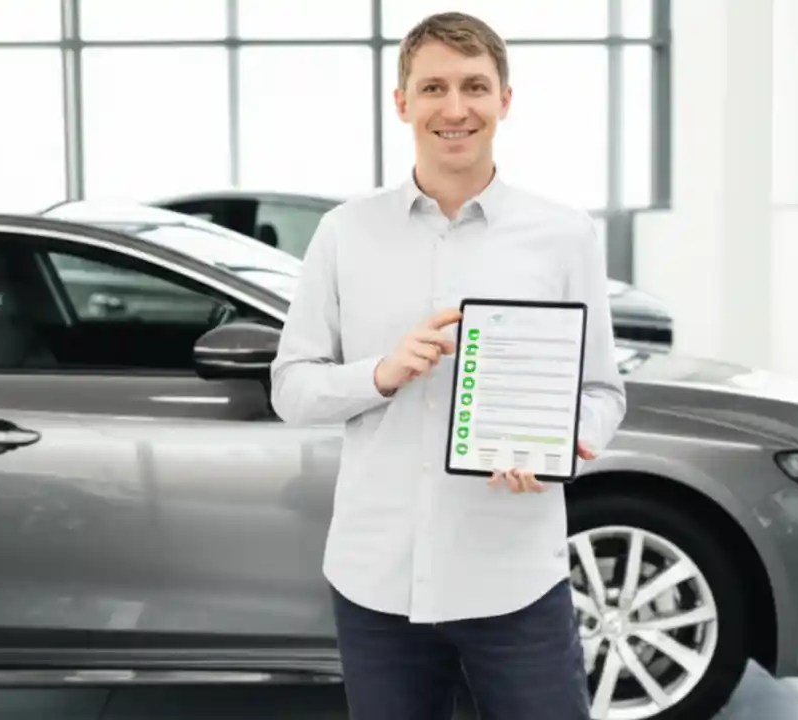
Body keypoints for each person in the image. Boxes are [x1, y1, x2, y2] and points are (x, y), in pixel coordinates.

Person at [269, 11, 627, 720]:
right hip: (378, 583)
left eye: (475, 87)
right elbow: (291, 386)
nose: (455, 108)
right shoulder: (345, 233)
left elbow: (601, 390)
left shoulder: (563, 234)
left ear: (505, 101)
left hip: (515, 579)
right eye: (433, 87)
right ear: (401, 103)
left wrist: (558, 445)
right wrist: (381, 371)